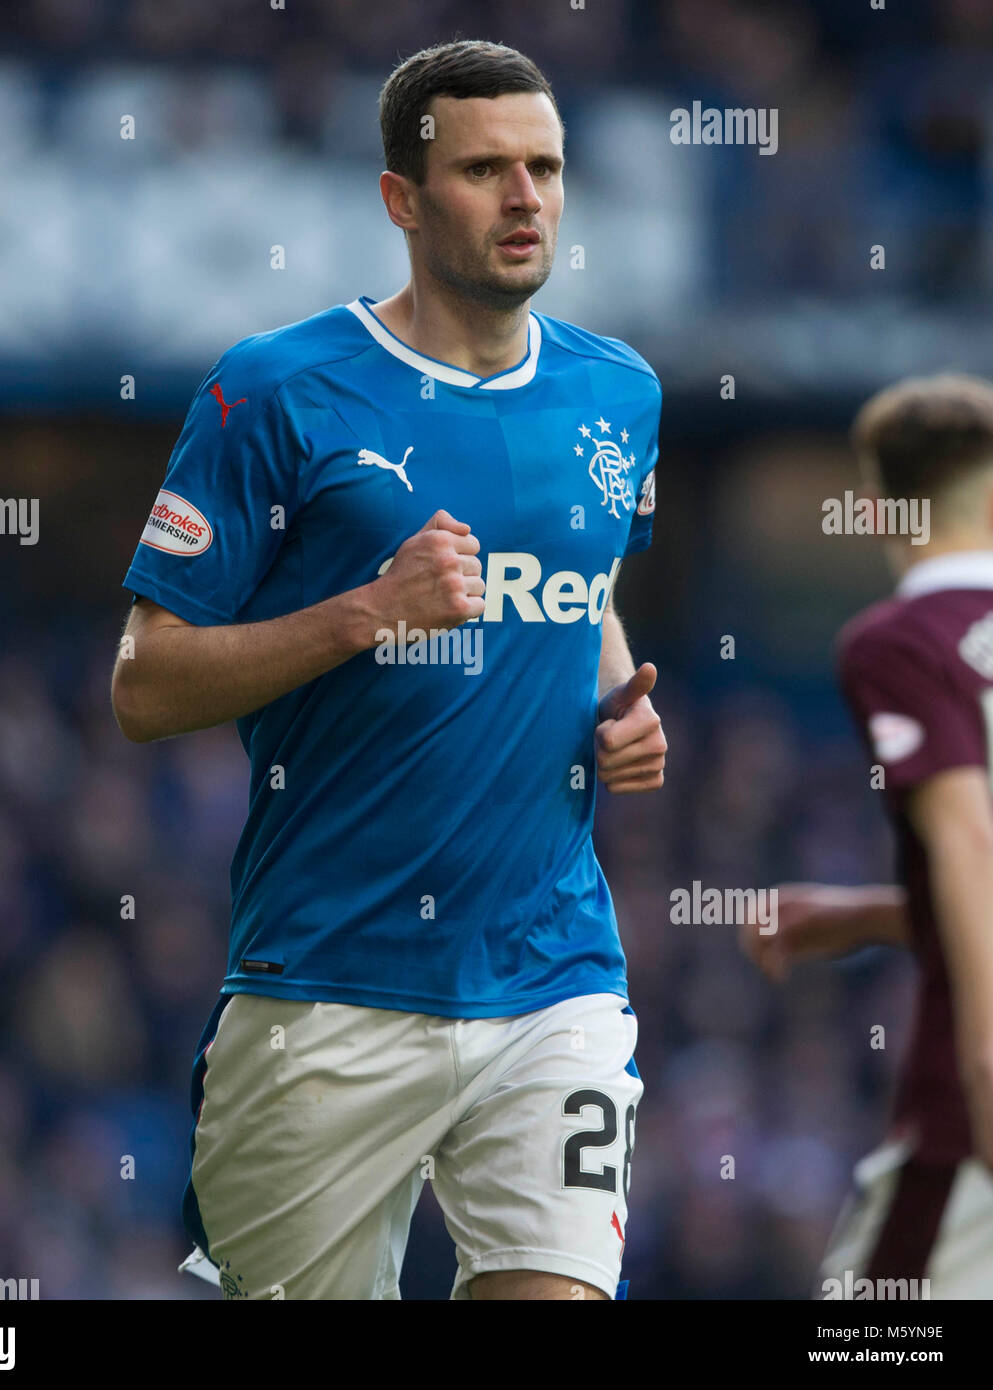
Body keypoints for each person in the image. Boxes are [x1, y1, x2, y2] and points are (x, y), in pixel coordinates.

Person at [113, 39, 665, 1301]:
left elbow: (587, 593)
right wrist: (368, 610)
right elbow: (143, 685)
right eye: (485, 170)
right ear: (400, 200)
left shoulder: (618, 391)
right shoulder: (278, 390)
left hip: (552, 971)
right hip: (327, 988)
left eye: (545, 168)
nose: (526, 198)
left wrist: (618, 708)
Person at [740, 374, 993, 1298]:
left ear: (882, 509)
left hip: (967, 1101)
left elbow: (969, 837)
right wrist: (876, 916)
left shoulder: (900, 641)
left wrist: (982, 1061)